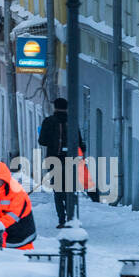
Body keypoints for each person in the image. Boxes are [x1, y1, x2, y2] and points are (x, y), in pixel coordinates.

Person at [37, 97, 87, 227]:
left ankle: (62, 219)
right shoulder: (73, 122)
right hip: (71, 161)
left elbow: (42, 141)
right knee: (71, 189)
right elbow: (80, 143)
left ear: (55, 107)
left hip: (53, 160)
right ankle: (72, 216)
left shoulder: (48, 122)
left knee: (58, 191)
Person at [0, 160, 35, 250]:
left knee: (23, 261)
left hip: (21, 237)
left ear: (4, 179)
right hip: (2, 235)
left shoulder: (17, 192)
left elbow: (13, 216)